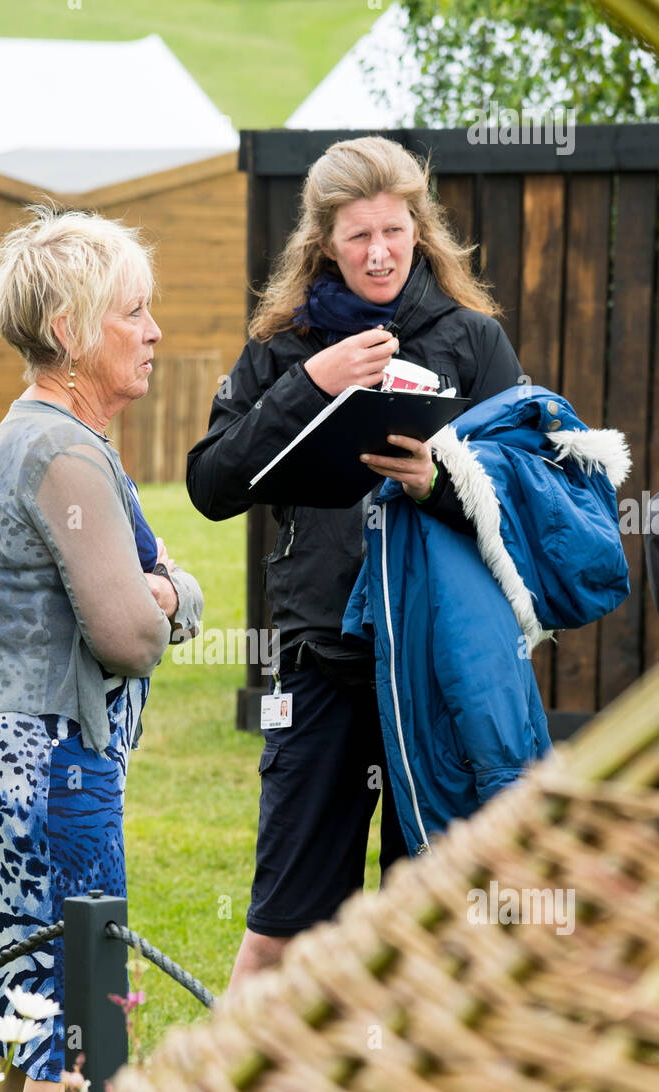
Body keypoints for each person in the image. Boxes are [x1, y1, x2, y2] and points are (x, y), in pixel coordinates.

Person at [187, 135, 523, 990]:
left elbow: (531, 500)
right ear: (323, 244)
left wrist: (439, 483)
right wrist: (315, 384)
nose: (379, 253)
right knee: (283, 929)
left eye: (394, 232)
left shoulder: (473, 342)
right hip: (316, 668)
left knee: (431, 928)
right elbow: (212, 483)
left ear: (420, 230)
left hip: (433, 673)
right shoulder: (285, 347)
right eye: (357, 237)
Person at [0, 206, 203, 1092]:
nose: (153, 332)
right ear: (70, 333)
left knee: (31, 1008)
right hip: (54, 761)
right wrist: (176, 592)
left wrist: (159, 590)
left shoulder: (46, 437)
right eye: (132, 313)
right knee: (74, 1006)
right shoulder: (62, 452)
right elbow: (129, 635)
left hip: (14, 749)